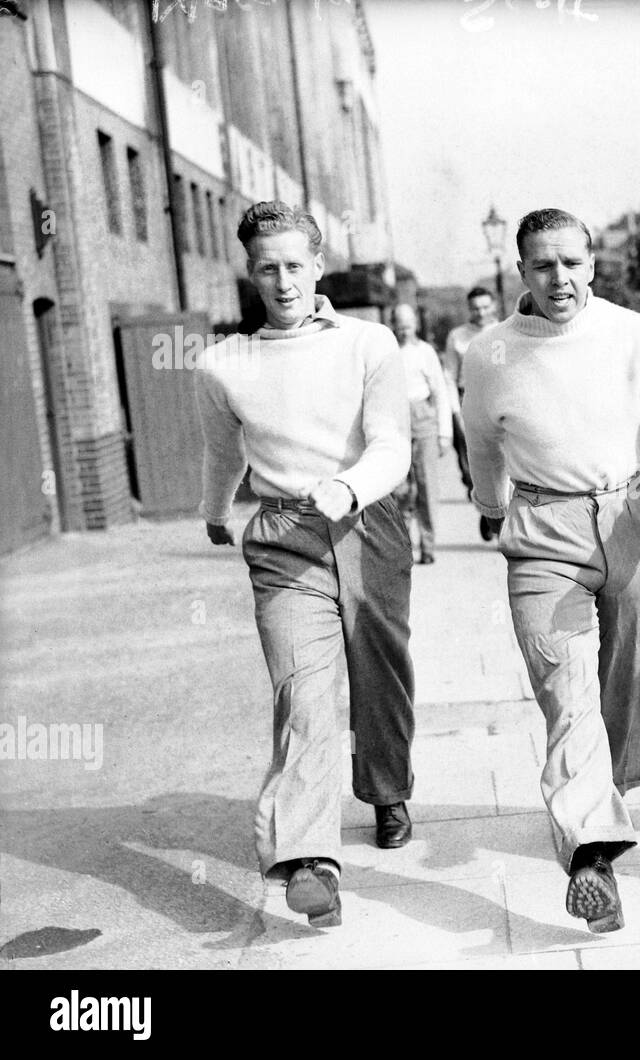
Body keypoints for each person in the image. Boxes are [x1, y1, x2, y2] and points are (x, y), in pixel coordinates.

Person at [461, 208, 640, 933]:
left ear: (592, 265)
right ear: (522, 272)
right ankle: (591, 858)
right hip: (544, 534)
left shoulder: (631, 334)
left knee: (634, 668)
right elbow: (481, 442)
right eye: (543, 265)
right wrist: (490, 503)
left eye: (573, 263)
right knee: (566, 691)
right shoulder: (488, 355)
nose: (560, 279)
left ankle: (612, 783)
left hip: (633, 517)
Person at [196, 201, 417, 929]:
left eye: (295, 264)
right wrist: (215, 508)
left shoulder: (369, 343)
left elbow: (392, 444)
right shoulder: (223, 364)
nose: (283, 280)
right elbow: (225, 449)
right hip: (284, 535)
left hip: (368, 522)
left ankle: (386, 788)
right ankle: (310, 858)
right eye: (268, 268)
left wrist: (348, 485)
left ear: (318, 265)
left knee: (379, 670)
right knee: (303, 690)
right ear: (250, 273)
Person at [392, 303, 453, 564]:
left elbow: (440, 391)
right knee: (401, 488)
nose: (404, 331)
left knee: (427, 485)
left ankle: (427, 545)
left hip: (424, 420)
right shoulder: (388, 351)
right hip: (397, 421)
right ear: (393, 324)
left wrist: (444, 433)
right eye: (399, 325)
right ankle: (402, 545)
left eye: (408, 325)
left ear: (415, 323)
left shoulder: (425, 352)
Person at [443, 286, 499, 538]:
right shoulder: (458, 337)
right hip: (467, 399)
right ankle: (485, 509)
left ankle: (493, 515)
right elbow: (449, 376)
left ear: (494, 307)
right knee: (470, 466)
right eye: (476, 308)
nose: (481, 312)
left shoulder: (501, 333)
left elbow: (503, 372)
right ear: (469, 309)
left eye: (485, 307)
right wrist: (455, 412)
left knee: (500, 463)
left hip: (495, 400)